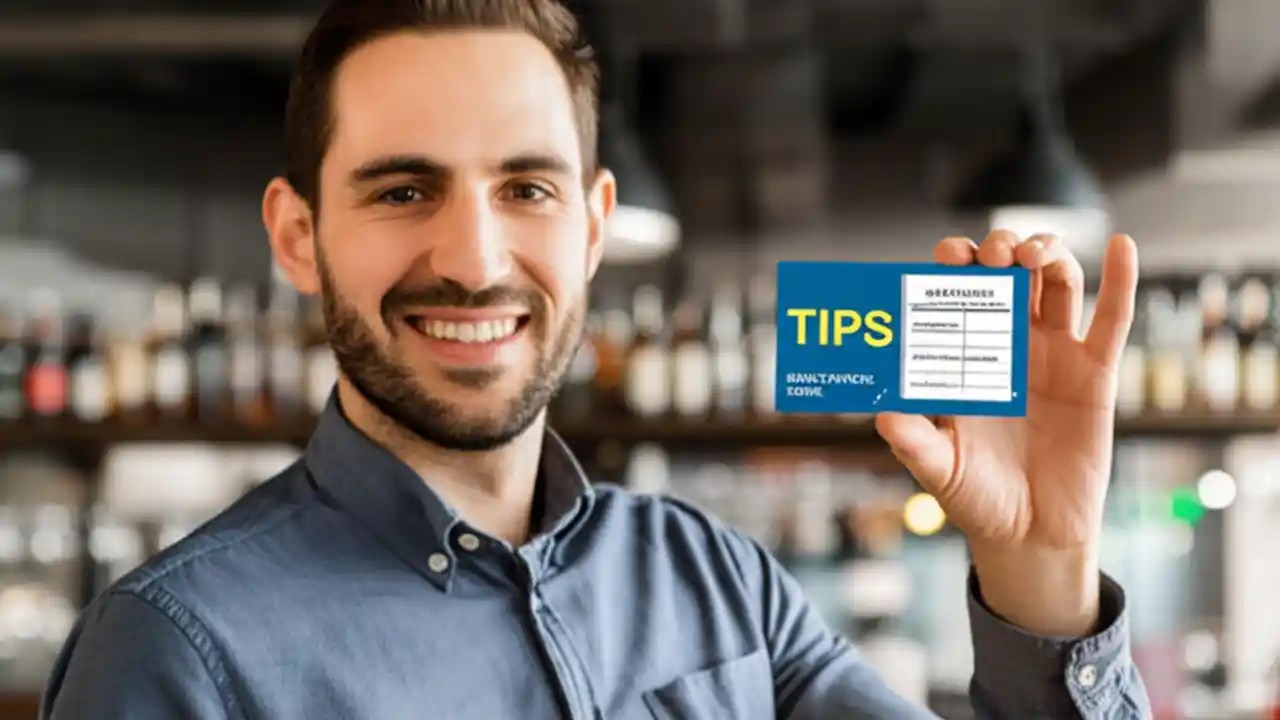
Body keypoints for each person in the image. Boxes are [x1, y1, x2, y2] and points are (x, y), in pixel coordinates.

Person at [41, 1, 1151, 718]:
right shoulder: (177, 651)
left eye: (526, 188)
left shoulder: (718, 582)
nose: (474, 262)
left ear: (590, 228)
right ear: (296, 236)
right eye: (404, 190)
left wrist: (1039, 564)